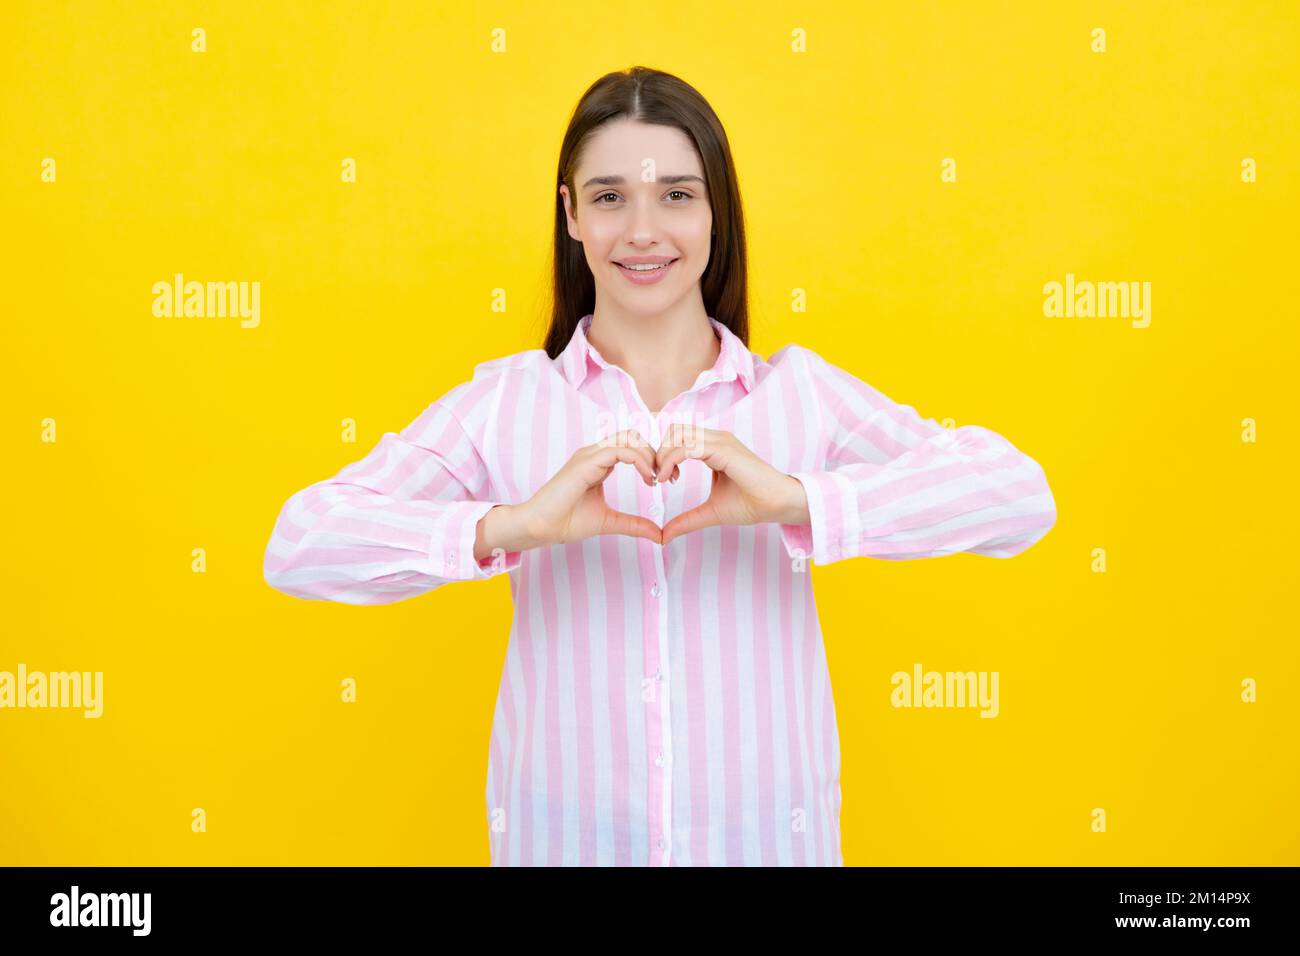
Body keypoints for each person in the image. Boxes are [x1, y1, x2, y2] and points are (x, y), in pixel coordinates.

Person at [262, 66, 1057, 866]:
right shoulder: (503, 404)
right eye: (609, 197)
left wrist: (799, 500)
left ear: (717, 214)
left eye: (677, 195)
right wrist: (513, 526)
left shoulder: (803, 397)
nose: (643, 231)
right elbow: (300, 543)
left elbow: (1019, 496)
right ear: (571, 214)